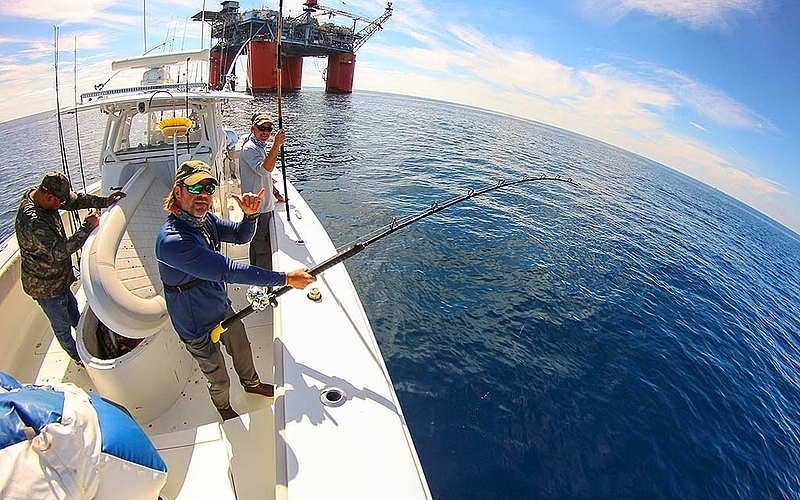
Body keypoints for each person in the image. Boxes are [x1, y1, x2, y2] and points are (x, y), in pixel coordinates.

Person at [155, 160, 315, 421]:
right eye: (195, 187)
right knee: (217, 375)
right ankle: (224, 407)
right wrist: (285, 278)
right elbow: (228, 269)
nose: (203, 196)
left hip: (219, 306)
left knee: (242, 347)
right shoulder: (173, 241)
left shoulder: (204, 221)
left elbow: (241, 236)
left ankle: (251, 384)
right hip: (194, 324)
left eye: (209, 188)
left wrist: (250, 216)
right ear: (178, 191)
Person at [14, 171, 126, 367]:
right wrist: (87, 227)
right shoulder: (32, 222)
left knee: (73, 310)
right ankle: (77, 357)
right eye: (60, 202)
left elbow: (74, 201)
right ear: (49, 197)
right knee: (61, 326)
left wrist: (104, 201)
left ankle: (87, 336)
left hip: (60, 278)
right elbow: (59, 252)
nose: (63, 206)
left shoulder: (44, 196)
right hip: (45, 287)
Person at [238, 112, 285, 269]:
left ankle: (255, 273)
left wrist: (276, 194)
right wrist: (276, 145)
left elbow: (264, 178)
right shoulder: (250, 149)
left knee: (258, 245)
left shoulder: (259, 146)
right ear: (253, 128)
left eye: (269, 129)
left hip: (262, 206)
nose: (265, 132)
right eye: (261, 128)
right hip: (258, 209)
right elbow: (265, 170)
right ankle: (263, 282)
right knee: (263, 249)